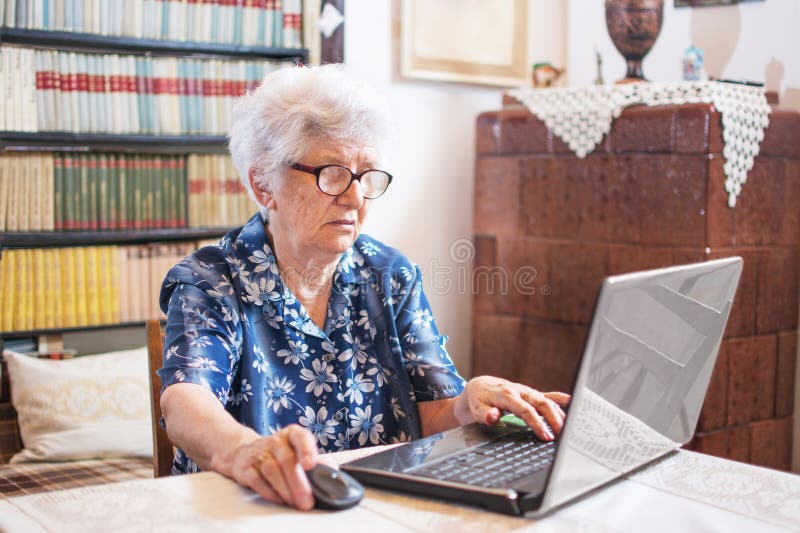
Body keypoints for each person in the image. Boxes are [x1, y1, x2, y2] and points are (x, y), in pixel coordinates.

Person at [158, 64, 569, 511]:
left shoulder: (391, 275)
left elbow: (434, 410)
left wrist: (468, 403)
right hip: (253, 509)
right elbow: (185, 400)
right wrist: (243, 451)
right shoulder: (211, 280)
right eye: (332, 174)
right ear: (263, 184)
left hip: (378, 509)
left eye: (367, 176)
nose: (355, 199)